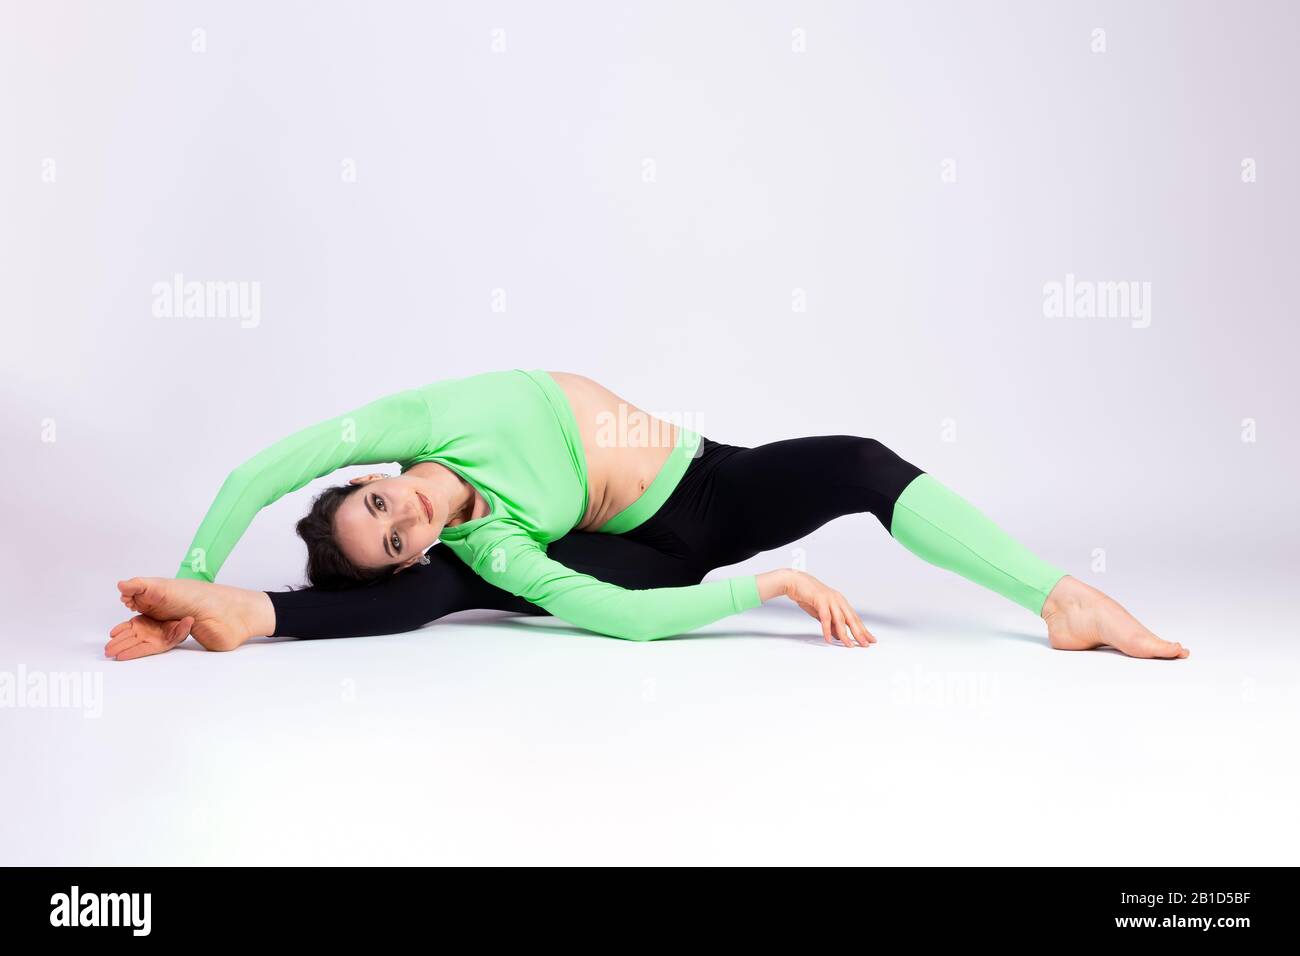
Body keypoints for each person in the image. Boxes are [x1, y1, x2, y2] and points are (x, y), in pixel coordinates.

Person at [107, 369, 1188, 661]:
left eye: (381, 502)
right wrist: (769, 582)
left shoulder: (420, 416)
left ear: (377, 472)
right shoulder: (483, 543)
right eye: (395, 538)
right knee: (471, 583)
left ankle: (1063, 599)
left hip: (709, 485)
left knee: (860, 461)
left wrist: (187, 562)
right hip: (649, 566)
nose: (406, 513)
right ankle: (255, 616)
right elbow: (617, 617)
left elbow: (259, 466)